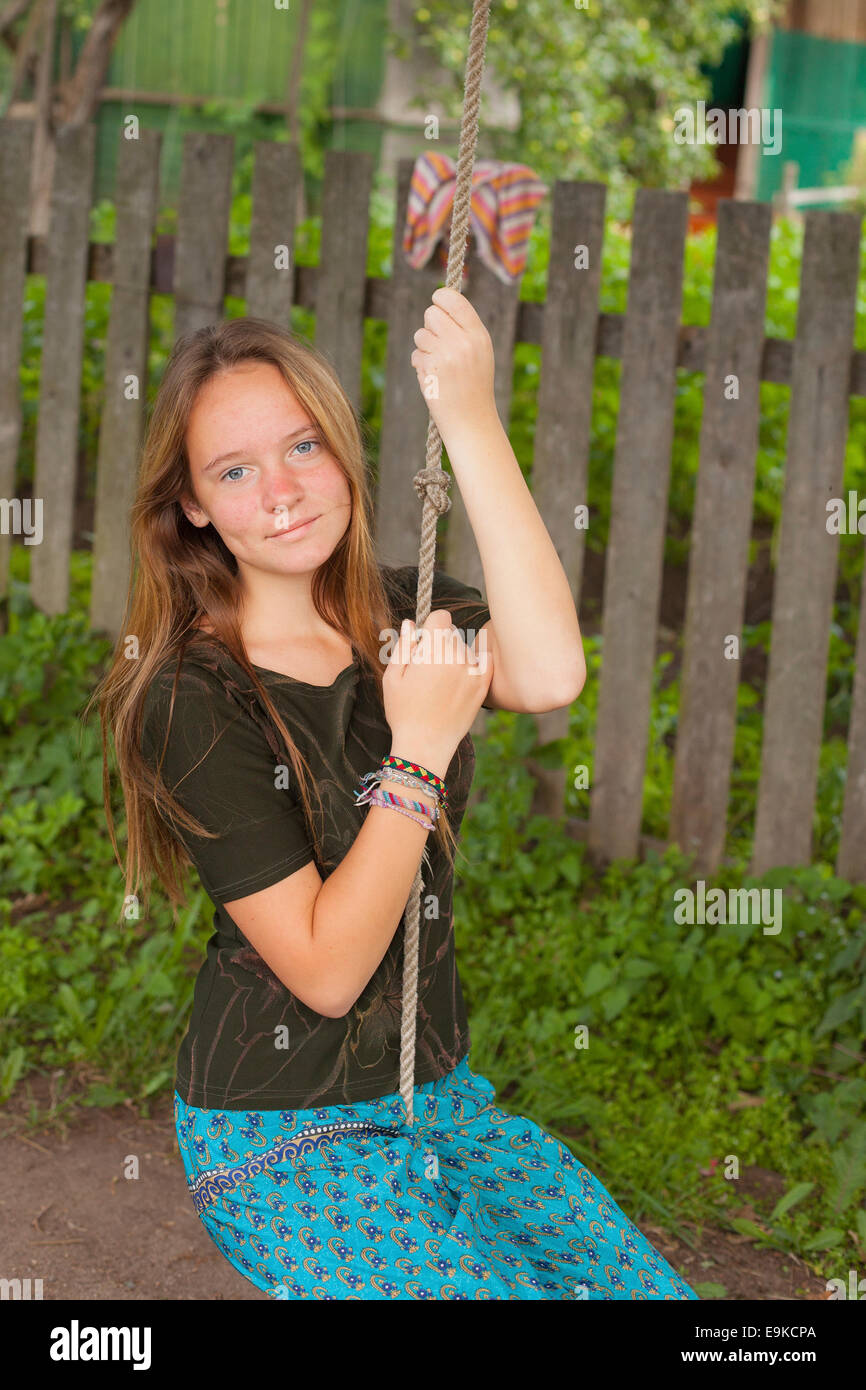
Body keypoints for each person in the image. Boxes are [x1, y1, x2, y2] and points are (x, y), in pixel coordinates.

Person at [95, 295, 698, 1301]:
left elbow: (548, 670)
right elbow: (327, 972)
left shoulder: (408, 618)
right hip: (281, 1135)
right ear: (191, 504)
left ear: (342, 452)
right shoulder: (189, 695)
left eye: (302, 448)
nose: (280, 491)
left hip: (435, 1098)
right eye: (233, 471)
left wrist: (467, 418)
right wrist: (416, 753)